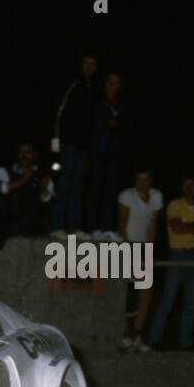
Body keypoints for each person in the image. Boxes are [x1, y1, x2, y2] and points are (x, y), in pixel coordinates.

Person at [147, 174, 194, 349]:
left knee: (191, 303)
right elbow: (176, 228)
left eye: (192, 185)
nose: (189, 188)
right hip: (177, 256)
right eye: (186, 185)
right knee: (167, 300)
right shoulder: (174, 204)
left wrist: (188, 226)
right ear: (182, 187)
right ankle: (154, 340)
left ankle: (185, 343)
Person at [50, 53, 98, 236]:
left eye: (93, 64)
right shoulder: (73, 82)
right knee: (64, 184)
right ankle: (56, 227)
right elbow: (59, 111)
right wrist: (55, 140)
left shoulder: (92, 87)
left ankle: (73, 227)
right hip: (68, 143)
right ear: (81, 64)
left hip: (83, 146)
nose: (90, 67)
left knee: (78, 187)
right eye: (87, 63)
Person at [117, 166, 163, 351]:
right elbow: (122, 225)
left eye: (146, 179)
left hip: (145, 247)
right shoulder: (126, 196)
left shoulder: (157, 196)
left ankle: (137, 335)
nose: (142, 183)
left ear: (150, 180)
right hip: (127, 246)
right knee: (129, 295)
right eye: (139, 179)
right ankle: (124, 336)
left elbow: (153, 225)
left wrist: (148, 252)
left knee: (146, 296)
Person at [0, 142, 54, 250]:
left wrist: (43, 190)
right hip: (8, 217)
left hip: (28, 222)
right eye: (21, 152)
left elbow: (46, 200)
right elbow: (1, 189)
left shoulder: (42, 175)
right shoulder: (4, 170)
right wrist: (24, 179)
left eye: (28, 152)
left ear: (34, 154)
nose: (24, 155)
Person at [87, 72, 128, 237]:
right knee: (95, 189)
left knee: (111, 191)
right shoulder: (97, 101)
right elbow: (95, 125)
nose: (112, 85)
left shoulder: (121, 105)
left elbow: (124, 127)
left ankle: (107, 228)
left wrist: (116, 125)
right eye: (110, 82)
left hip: (115, 153)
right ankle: (92, 228)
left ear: (119, 86)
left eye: (116, 83)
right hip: (97, 152)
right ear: (105, 84)